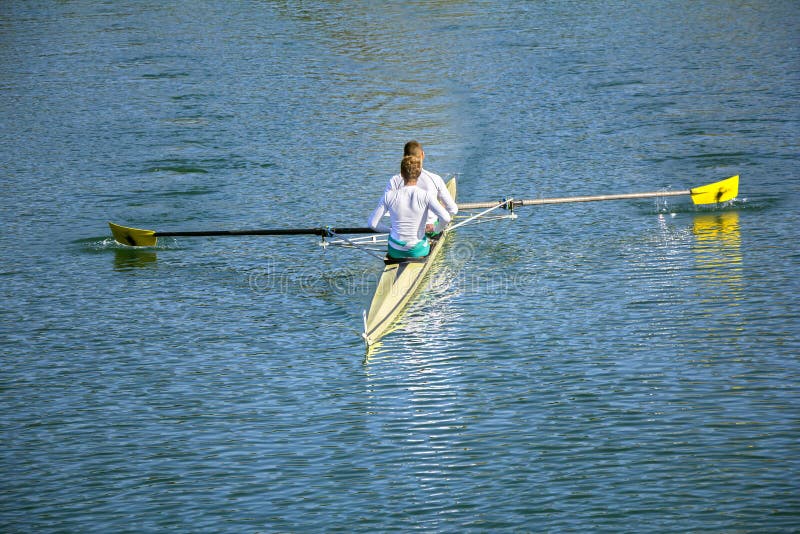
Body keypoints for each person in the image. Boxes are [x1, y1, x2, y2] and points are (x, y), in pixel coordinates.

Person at [368, 155, 452, 259]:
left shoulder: (388, 196)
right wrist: (435, 229)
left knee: (394, 239)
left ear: (402, 174)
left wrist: (391, 230)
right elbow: (446, 218)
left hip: (395, 250)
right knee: (426, 240)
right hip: (417, 250)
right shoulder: (426, 196)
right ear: (419, 174)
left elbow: (372, 224)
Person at [384, 141, 457, 234]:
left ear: (404, 157)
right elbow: (453, 210)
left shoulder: (393, 181)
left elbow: (386, 209)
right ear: (423, 154)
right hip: (428, 229)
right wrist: (440, 211)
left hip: (401, 231)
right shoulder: (435, 179)